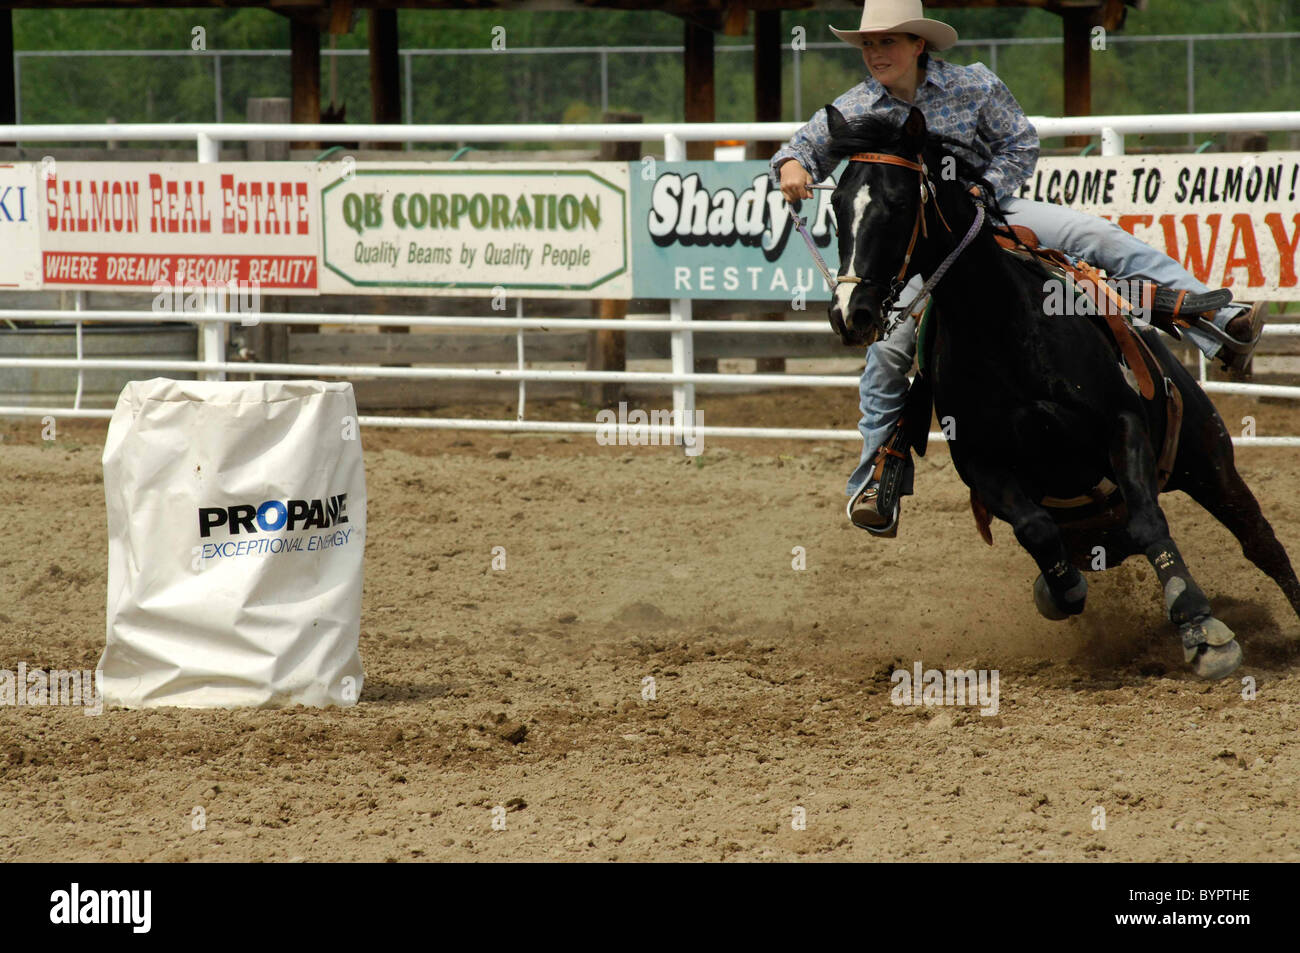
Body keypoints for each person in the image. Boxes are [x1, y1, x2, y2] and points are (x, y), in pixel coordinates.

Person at [770, 0, 1265, 535]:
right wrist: (794, 167)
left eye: (887, 41)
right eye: (868, 44)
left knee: (1095, 236)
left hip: (990, 214)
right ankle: (876, 478)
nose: (875, 53)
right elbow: (797, 152)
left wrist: (984, 189)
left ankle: (1222, 320)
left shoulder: (974, 85)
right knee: (890, 350)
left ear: (918, 45)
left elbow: (1019, 142)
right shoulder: (855, 107)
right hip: (919, 246)